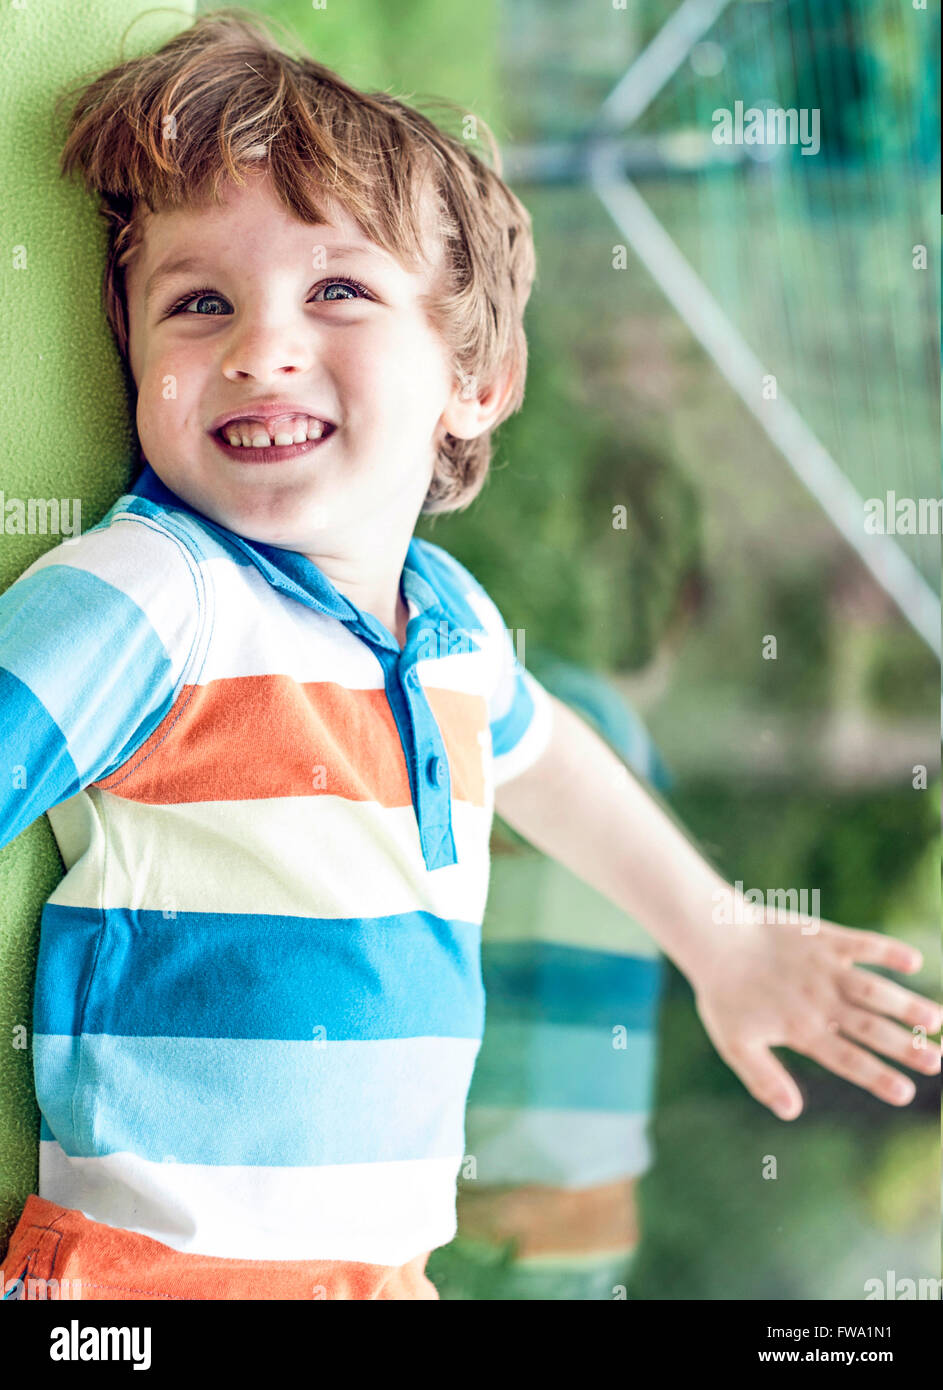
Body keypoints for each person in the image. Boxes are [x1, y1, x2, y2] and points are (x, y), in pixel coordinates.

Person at [1, 10, 939, 1301]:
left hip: (386, 1271)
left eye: (337, 289)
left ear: (476, 378)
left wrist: (716, 934)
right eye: (198, 301)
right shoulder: (158, 592)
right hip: (160, 1281)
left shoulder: (450, 624)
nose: (260, 346)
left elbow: (553, 761)